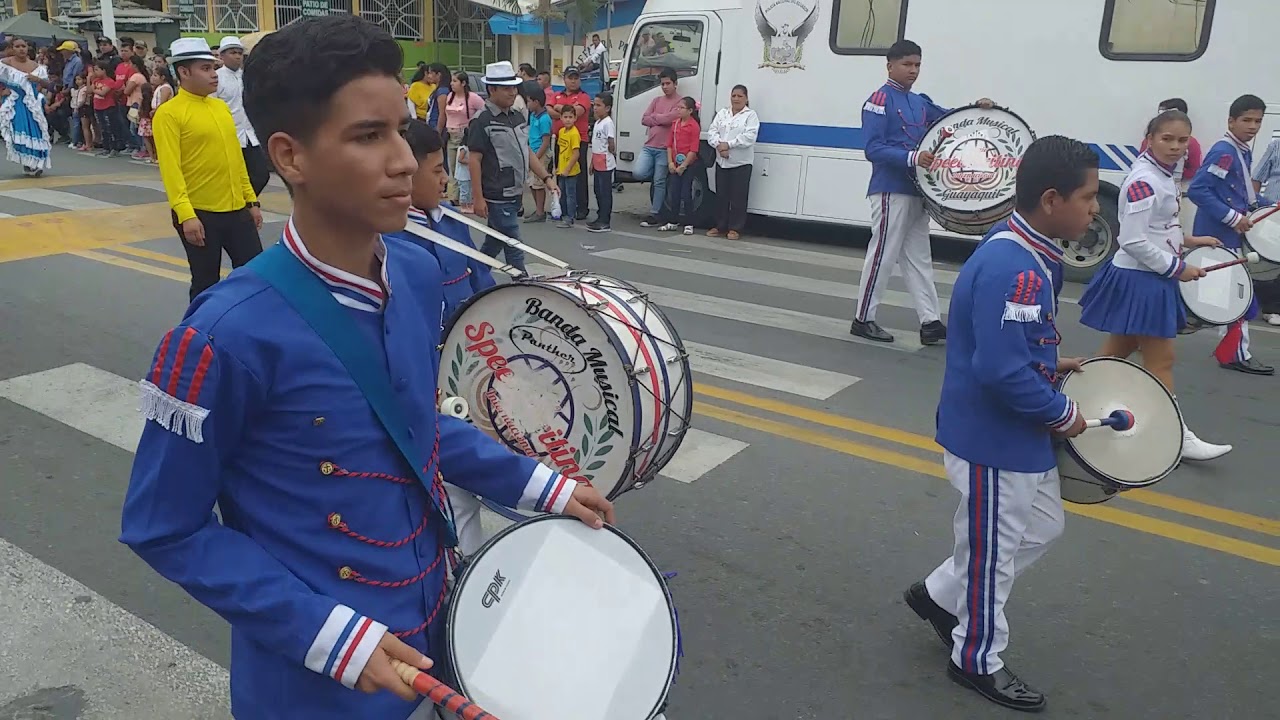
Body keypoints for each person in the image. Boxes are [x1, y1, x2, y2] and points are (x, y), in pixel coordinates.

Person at [121, 16, 613, 720]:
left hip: (439, 628)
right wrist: (329, 636)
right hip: (320, 678)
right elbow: (164, 527)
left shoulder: (413, 270)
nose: (404, 162)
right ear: (290, 156)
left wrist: (541, 485)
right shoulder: (223, 336)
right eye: (366, 136)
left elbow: (414, 427)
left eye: (401, 131)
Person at [905, 135, 1101, 713]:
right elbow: (998, 369)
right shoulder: (1015, 266)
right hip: (993, 437)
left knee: (1041, 526)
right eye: (1088, 198)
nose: (1094, 208)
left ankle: (941, 596)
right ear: (1050, 199)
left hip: (1016, 434)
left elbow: (1008, 348)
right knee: (993, 554)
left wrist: (1047, 363)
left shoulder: (1030, 249)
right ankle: (976, 658)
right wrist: (1065, 413)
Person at [1079, 110, 1232, 461]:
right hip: (1142, 279)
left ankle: (1067, 405)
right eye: (1167, 139)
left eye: (1182, 141)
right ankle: (1175, 435)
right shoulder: (1144, 180)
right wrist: (1178, 269)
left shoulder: (1162, 174)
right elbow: (1132, 240)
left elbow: (1158, 229)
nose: (1176, 147)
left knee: (1113, 355)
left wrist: (1192, 240)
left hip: (1148, 277)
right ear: (1150, 139)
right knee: (1161, 360)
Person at [393, 119, 497, 556]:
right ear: (404, 172)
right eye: (434, 170)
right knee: (451, 483)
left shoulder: (450, 221)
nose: (444, 179)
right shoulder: (390, 236)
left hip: (472, 366)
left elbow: (482, 284)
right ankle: (457, 572)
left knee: (472, 474)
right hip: (430, 378)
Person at [852, 39, 994, 346]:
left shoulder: (919, 101)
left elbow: (948, 117)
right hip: (890, 190)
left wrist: (977, 108)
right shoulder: (879, 100)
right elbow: (873, 149)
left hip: (917, 190)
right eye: (907, 64)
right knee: (882, 255)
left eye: (917, 65)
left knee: (919, 258)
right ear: (890, 65)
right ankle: (863, 318)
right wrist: (913, 158)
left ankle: (930, 322)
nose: (913, 70)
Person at [153, 37, 263, 302]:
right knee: (206, 282)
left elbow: (236, 159)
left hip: (237, 209)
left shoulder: (220, 108)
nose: (214, 75)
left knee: (255, 275)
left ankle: (246, 330)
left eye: (214, 68)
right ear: (184, 71)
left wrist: (251, 200)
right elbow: (171, 169)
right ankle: (197, 337)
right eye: (206, 68)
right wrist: (186, 215)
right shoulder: (169, 114)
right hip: (200, 213)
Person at [1186, 94, 1275, 376]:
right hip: (1218, 235)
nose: (1253, 126)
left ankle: (1147, 333)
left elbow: (1237, 191)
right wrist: (1233, 217)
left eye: (1258, 121)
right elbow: (1199, 190)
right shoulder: (1224, 151)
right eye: (1246, 120)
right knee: (1239, 298)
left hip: (1225, 234)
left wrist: (1264, 205)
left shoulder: (1241, 149)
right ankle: (1236, 354)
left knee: (1222, 300)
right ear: (1231, 121)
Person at [467, 60, 558, 275]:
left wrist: (546, 178)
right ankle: (522, 282)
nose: (512, 92)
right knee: (513, 243)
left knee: (494, 242)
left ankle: (474, 279)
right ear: (492, 89)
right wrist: (478, 198)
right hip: (497, 192)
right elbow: (474, 160)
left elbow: (526, 150)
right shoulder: (482, 121)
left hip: (516, 190)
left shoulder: (518, 115)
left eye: (514, 87)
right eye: (506, 88)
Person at [215, 36, 271, 195]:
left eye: (240, 52)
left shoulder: (247, 76)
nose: (237, 56)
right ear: (222, 56)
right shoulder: (216, 78)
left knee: (260, 174)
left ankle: (246, 202)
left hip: (249, 135)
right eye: (233, 52)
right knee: (233, 176)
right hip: (228, 135)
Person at [706, 84, 759, 240]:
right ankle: (720, 226)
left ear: (746, 98)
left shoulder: (750, 115)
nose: (736, 99)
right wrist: (720, 146)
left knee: (738, 197)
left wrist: (729, 144)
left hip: (741, 163)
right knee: (721, 195)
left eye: (740, 96)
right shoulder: (723, 113)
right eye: (733, 96)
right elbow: (712, 132)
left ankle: (735, 228)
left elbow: (749, 137)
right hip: (722, 161)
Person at [636, 68, 683, 226]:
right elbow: (644, 119)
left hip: (665, 148)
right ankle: (655, 173)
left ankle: (655, 214)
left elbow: (673, 117)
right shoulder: (656, 100)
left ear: (675, 84)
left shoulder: (680, 102)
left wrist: (655, 118)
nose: (665, 87)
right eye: (662, 84)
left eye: (668, 83)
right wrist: (661, 119)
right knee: (638, 172)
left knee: (659, 182)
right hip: (649, 146)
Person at [0, 37, 52, 176]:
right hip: (15, 102)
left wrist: (38, 80)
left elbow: (48, 84)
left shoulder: (36, 66)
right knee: (20, 129)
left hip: (32, 103)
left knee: (35, 131)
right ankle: (27, 163)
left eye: (23, 46)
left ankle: (34, 163)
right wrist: (2, 91)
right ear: (12, 48)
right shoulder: (5, 63)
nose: (21, 49)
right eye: (17, 46)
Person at [548, 67, 592, 221]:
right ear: (564, 79)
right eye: (570, 78)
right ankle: (563, 206)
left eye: (576, 78)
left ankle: (581, 208)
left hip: (578, 140)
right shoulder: (556, 95)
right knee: (560, 173)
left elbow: (578, 112)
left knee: (578, 176)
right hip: (560, 140)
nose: (573, 81)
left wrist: (559, 110)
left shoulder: (584, 96)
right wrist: (564, 111)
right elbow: (549, 110)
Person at [657, 97, 702, 235]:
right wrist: (670, 162)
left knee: (686, 193)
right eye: (678, 108)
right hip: (675, 163)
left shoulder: (694, 126)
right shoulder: (675, 124)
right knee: (674, 192)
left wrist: (684, 165)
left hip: (688, 164)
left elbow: (694, 149)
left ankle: (689, 223)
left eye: (682, 108)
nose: (679, 110)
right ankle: (673, 221)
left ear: (690, 110)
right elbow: (669, 144)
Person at [588, 92, 617, 233]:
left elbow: (611, 142)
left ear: (607, 108)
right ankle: (600, 216)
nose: (595, 108)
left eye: (599, 105)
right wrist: (592, 162)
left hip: (605, 162)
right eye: (594, 105)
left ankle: (605, 221)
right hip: (597, 160)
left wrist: (611, 152)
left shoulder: (608, 123)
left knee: (605, 192)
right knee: (597, 190)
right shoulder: (598, 123)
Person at [523, 86, 552, 223]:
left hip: (540, 154)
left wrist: (537, 157)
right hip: (532, 152)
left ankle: (540, 212)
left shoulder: (544, 118)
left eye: (529, 101)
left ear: (537, 102)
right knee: (532, 183)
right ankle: (537, 209)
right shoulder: (533, 116)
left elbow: (546, 141)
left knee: (539, 183)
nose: (527, 104)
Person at [555, 104, 582, 228]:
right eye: (565, 117)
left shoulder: (574, 134)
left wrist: (567, 169)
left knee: (570, 195)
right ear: (560, 117)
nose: (568, 120)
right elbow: (561, 151)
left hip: (571, 171)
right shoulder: (561, 131)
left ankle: (569, 217)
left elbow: (576, 154)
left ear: (575, 118)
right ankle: (563, 214)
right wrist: (559, 168)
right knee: (562, 194)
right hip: (562, 169)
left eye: (570, 117)